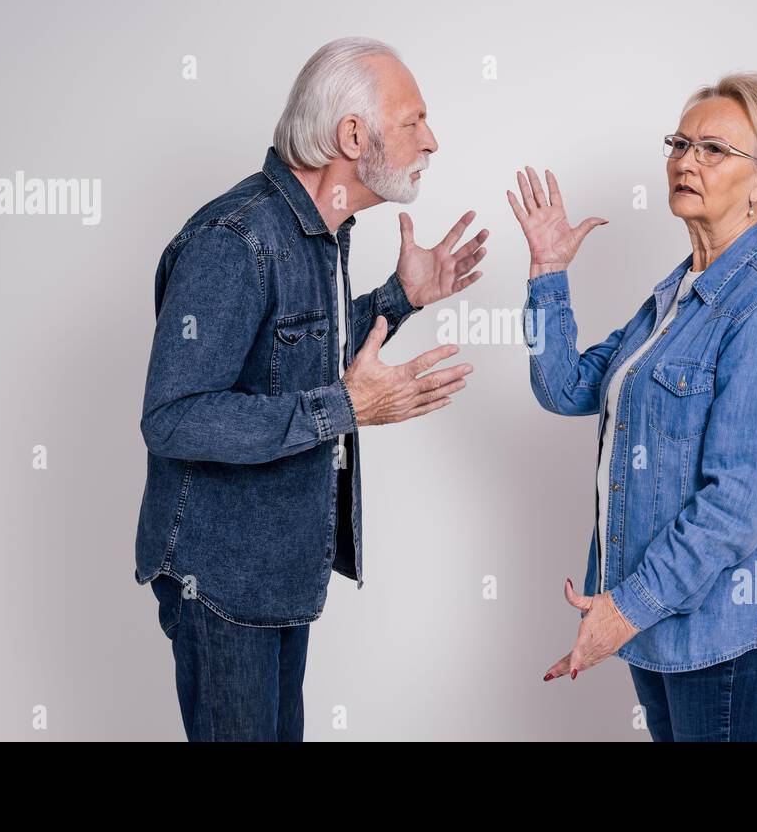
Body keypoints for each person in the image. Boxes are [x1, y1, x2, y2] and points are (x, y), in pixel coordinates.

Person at [135, 37, 490, 741]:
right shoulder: (235, 240)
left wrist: (400, 297)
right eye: (414, 120)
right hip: (223, 581)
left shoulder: (320, 230)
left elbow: (296, 354)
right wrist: (347, 408)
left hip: (276, 574)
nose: (432, 140)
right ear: (353, 135)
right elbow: (172, 417)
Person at [512, 72, 757, 741]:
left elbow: (737, 506)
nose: (686, 160)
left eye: (714, 149)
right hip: (662, 632)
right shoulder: (676, 296)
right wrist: (548, 273)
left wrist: (624, 610)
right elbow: (567, 387)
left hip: (726, 639)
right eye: (680, 143)